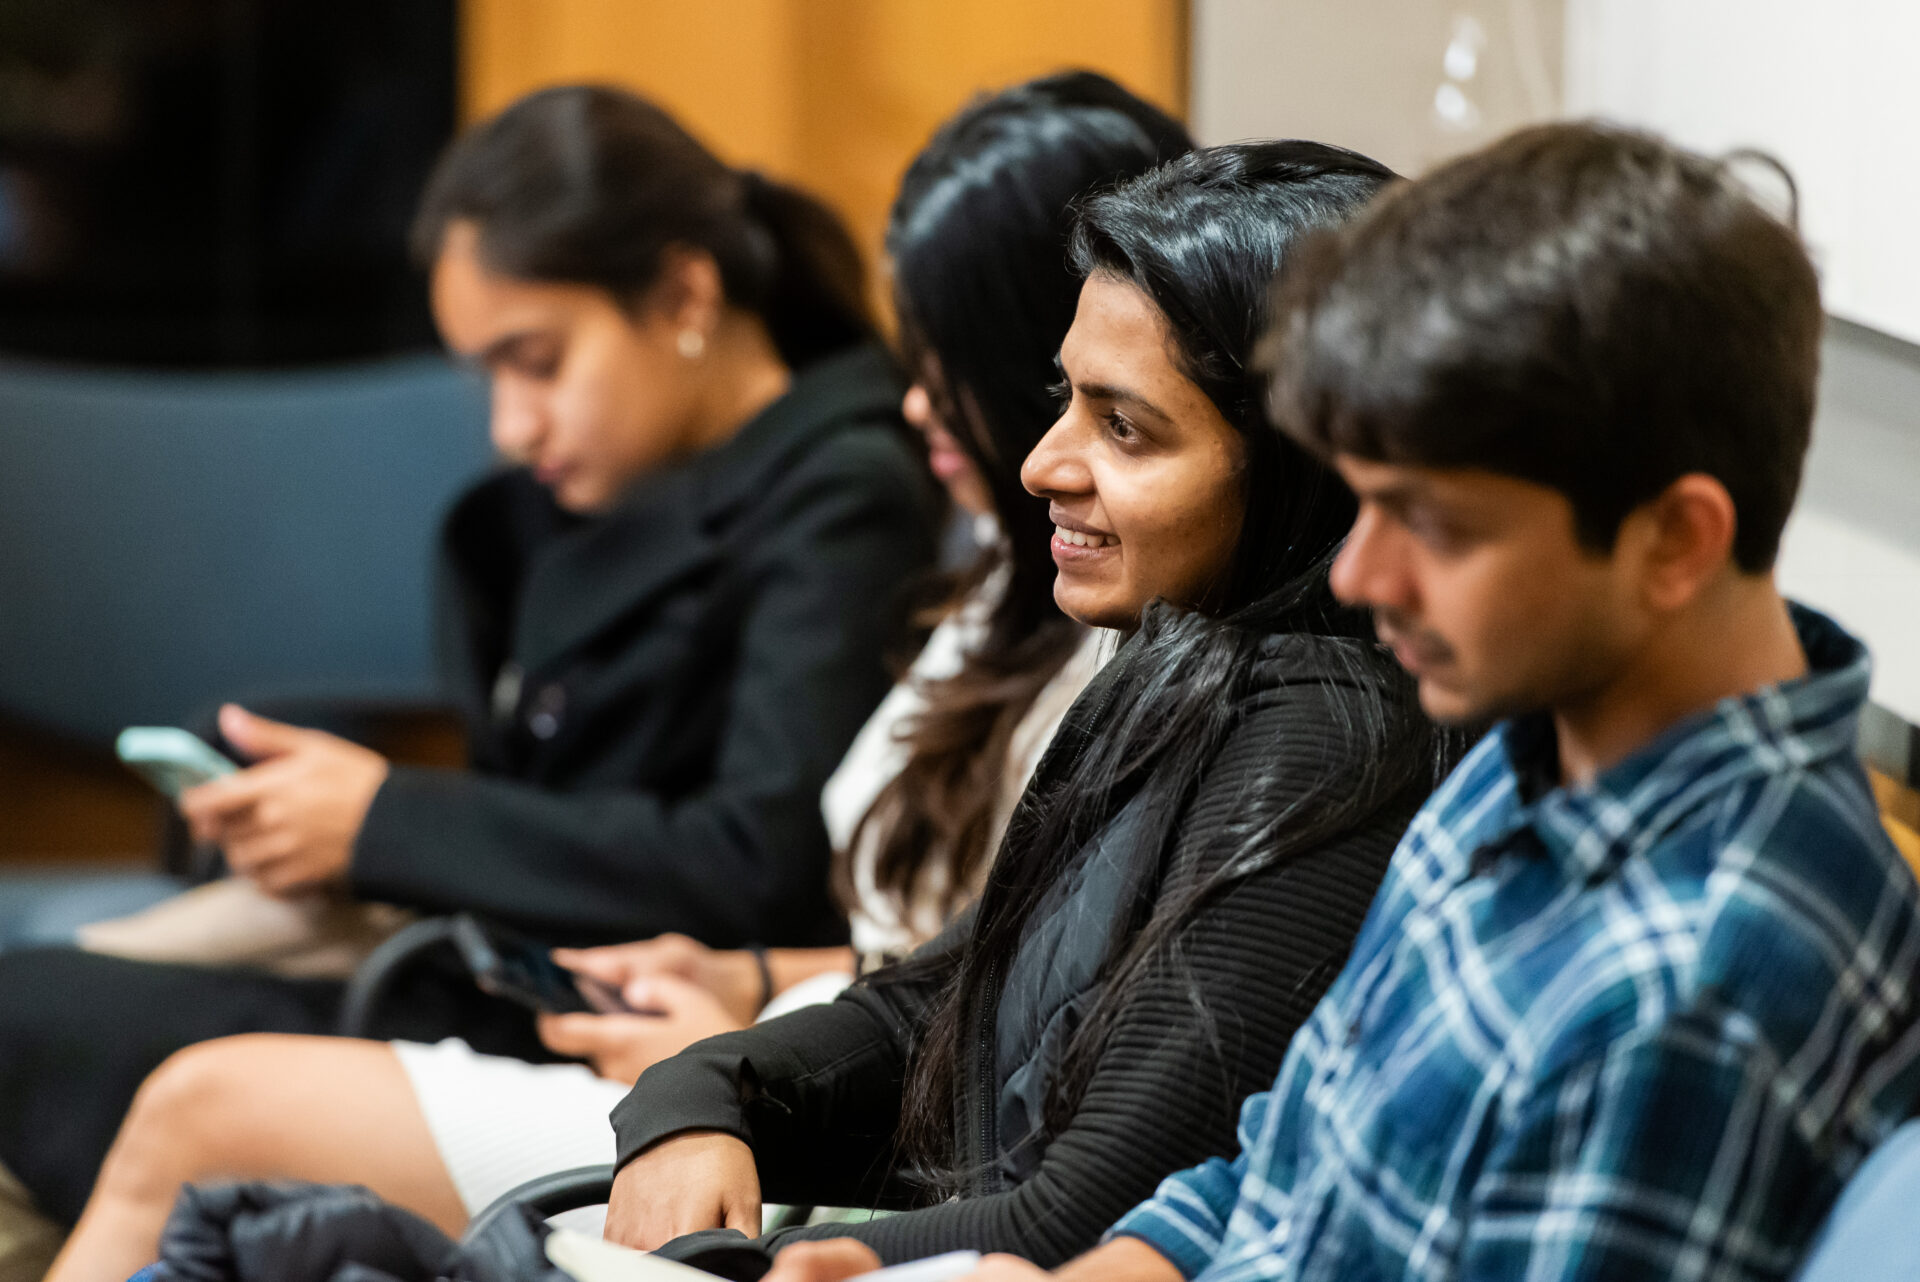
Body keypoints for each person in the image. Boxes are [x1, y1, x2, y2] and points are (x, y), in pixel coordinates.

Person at [40, 71, 1193, 1282]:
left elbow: (867, 931)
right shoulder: (1000, 600)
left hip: (809, 1101)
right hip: (741, 1037)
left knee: (184, 1094)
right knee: (79, 1012)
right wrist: (747, 1002)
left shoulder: (927, 536)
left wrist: (742, 1041)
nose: (510, 424)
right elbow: (927, 956)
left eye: (534, 361)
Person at [909, 123, 1920, 1282]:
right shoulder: (1544, 746)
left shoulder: (1689, 993)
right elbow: (1283, 1166)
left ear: (1677, 541)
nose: (1358, 575)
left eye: (1434, 524)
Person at [588, 141, 1445, 1277]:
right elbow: (937, 1004)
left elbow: (1081, 1216)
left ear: (1296, 466)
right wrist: (699, 1096)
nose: (1044, 462)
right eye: (1066, 400)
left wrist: (741, 1250)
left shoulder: (1328, 735)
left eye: (1125, 427)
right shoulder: (1186, 658)